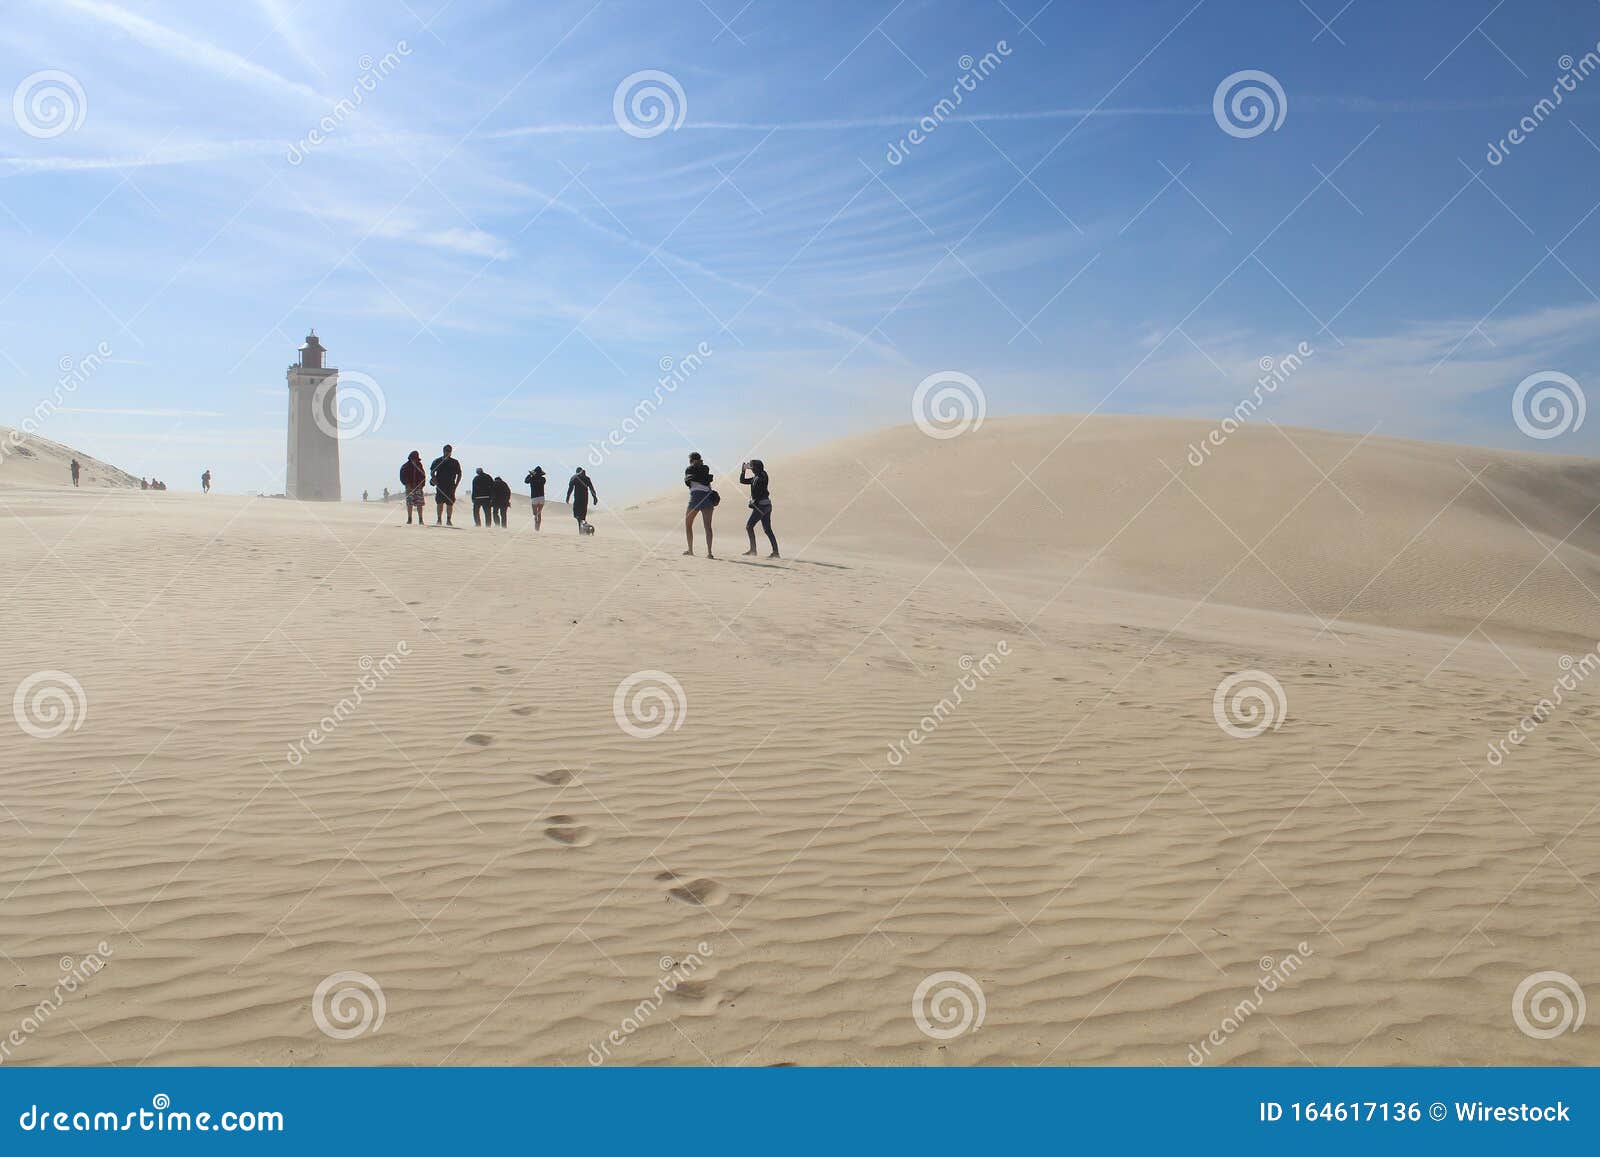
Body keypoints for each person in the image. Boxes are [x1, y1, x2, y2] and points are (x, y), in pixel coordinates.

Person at [740, 458, 779, 558]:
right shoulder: (757, 477)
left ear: (755, 468)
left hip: (761, 506)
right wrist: (743, 470)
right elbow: (742, 481)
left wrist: (754, 501)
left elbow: (760, 489)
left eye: (752, 467)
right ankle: (775, 552)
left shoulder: (761, 476)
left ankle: (753, 550)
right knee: (767, 530)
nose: (751, 469)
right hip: (766, 505)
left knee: (749, 526)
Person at [683, 451, 716, 558]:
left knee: (688, 524)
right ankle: (709, 553)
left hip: (696, 497)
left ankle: (690, 550)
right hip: (708, 497)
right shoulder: (705, 468)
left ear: (691, 460)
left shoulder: (690, 468)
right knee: (708, 526)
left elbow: (689, 480)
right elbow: (705, 478)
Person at [430, 444, 462, 527]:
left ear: (451, 452)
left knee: (450, 503)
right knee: (439, 502)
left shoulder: (454, 462)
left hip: (450, 485)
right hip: (440, 485)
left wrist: (456, 484)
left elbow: (459, 474)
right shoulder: (437, 461)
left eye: (449, 451)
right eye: (446, 450)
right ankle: (439, 519)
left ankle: (448, 520)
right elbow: (432, 472)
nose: (447, 452)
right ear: (443, 451)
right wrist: (434, 480)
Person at [566, 467, 597, 532]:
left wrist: (568, 497)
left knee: (577, 515)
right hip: (585, 499)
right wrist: (594, 497)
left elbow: (570, 488)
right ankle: (583, 529)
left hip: (577, 499)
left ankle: (582, 529)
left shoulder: (574, 477)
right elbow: (591, 489)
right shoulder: (587, 478)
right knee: (583, 516)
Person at [399, 451, 427, 526]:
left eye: (416, 459)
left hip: (418, 487)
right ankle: (409, 518)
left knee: (419, 504)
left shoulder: (419, 465)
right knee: (409, 503)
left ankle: (421, 519)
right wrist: (406, 484)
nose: (414, 460)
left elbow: (423, 476)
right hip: (409, 488)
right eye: (413, 458)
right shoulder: (406, 466)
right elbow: (402, 476)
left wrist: (422, 485)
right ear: (410, 458)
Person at [524, 466, 547, 531]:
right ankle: (537, 528)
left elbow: (526, 481)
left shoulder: (532, 478)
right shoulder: (543, 479)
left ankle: (536, 525)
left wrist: (530, 475)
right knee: (539, 513)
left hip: (534, 497)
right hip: (541, 497)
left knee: (535, 513)